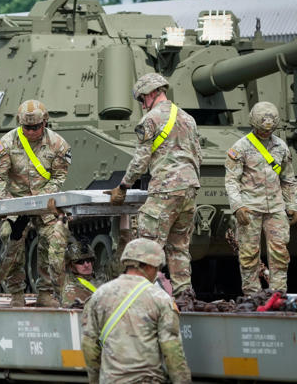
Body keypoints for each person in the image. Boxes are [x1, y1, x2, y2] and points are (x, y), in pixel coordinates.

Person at [107, 73, 202, 300]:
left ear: (151, 94)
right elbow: (198, 155)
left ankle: (141, 298)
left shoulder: (149, 120)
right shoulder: (188, 118)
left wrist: (123, 186)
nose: (141, 104)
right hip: (189, 190)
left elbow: (141, 160)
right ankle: (184, 296)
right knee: (179, 247)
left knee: (147, 246)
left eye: (141, 99)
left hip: (165, 190)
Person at [0, 99, 72, 307]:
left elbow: (59, 176)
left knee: (52, 240)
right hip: (16, 203)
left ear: (44, 123)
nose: (31, 131)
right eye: (26, 127)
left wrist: (43, 197)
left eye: (35, 127)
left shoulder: (58, 145)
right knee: (11, 239)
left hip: (44, 203)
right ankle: (16, 292)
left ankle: (45, 292)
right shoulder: (6, 145)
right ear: (20, 124)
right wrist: (1, 202)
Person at [82, 238, 191, 384]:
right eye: (158, 267)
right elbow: (172, 349)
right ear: (149, 266)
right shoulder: (160, 298)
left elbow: (89, 345)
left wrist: (96, 380)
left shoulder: (100, 295)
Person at [225, 101, 297, 295]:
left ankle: (278, 294)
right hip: (250, 208)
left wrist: (293, 205)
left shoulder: (281, 147)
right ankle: (251, 295)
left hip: (276, 208)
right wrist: (238, 206)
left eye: (270, 129)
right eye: (262, 129)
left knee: (280, 254)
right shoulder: (240, 147)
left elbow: (288, 179)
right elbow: (232, 180)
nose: (266, 133)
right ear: (253, 124)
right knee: (249, 255)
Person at [60, 242, 101, 308]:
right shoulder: (70, 286)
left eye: (89, 260)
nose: (86, 265)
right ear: (71, 266)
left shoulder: (101, 276)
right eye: (80, 262)